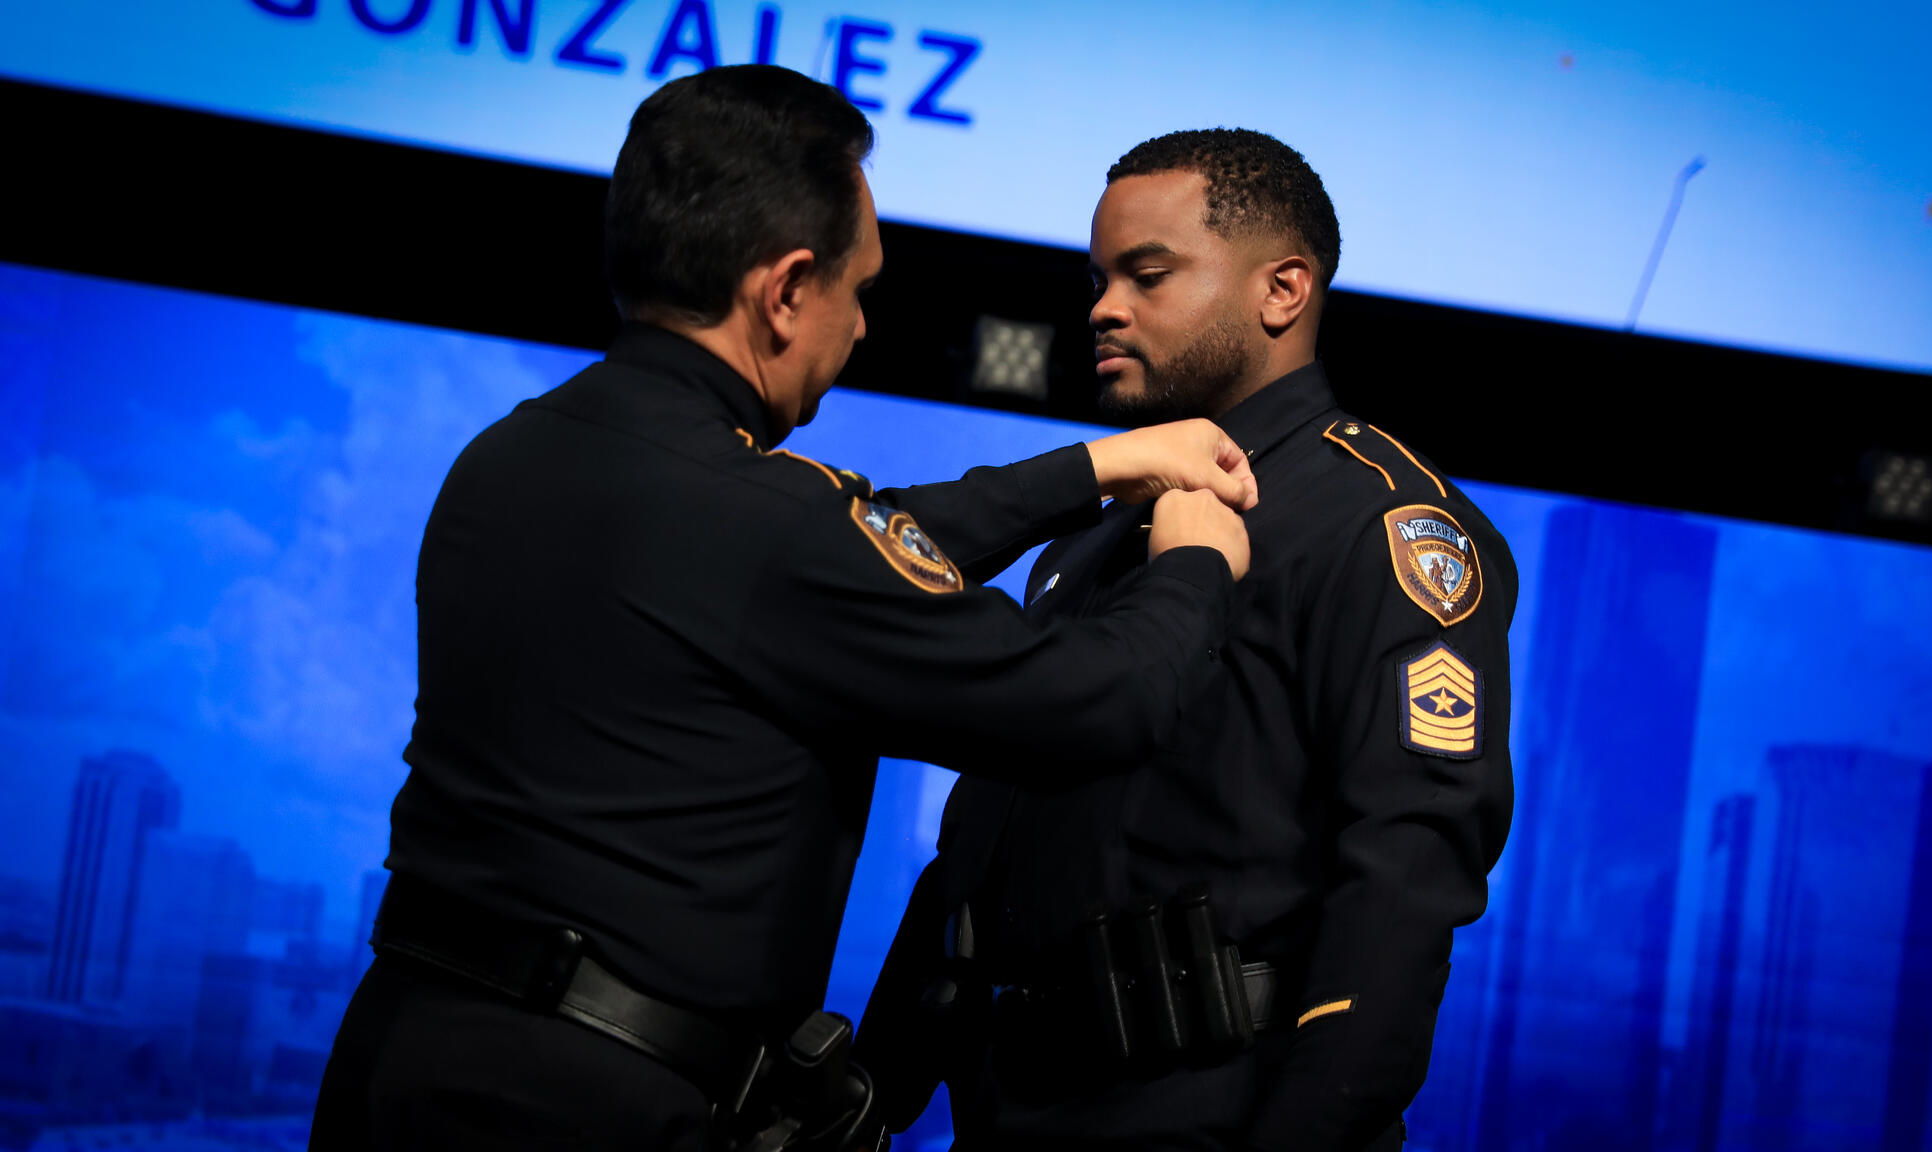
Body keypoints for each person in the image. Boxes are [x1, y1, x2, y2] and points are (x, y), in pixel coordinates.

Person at [311, 67, 1261, 1151]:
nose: (859, 329)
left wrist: (1092, 466)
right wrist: (1192, 563)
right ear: (784, 290)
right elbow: (1095, 701)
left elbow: (840, 552)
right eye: (859, 290)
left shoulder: (508, 457)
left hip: (399, 1061)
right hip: (598, 1109)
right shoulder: (769, 529)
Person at [858, 130, 1518, 1152]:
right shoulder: (1100, 520)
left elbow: (1402, 882)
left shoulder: (1378, 528)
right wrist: (874, 1085)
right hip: (1005, 1103)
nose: (1103, 307)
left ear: (1282, 290)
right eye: (1098, 277)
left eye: (1147, 274)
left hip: (1203, 1113)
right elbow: (985, 831)